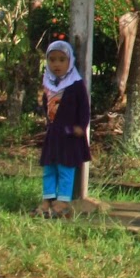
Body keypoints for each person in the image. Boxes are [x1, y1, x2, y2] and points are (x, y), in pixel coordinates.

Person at [37, 40, 91, 219]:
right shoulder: (48, 83)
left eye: (61, 59)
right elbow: (47, 106)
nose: (56, 64)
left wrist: (81, 127)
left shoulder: (75, 84)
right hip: (54, 134)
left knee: (66, 167)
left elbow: (84, 108)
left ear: (70, 61)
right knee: (49, 167)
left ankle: (63, 200)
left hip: (69, 134)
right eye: (52, 60)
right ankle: (48, 198)